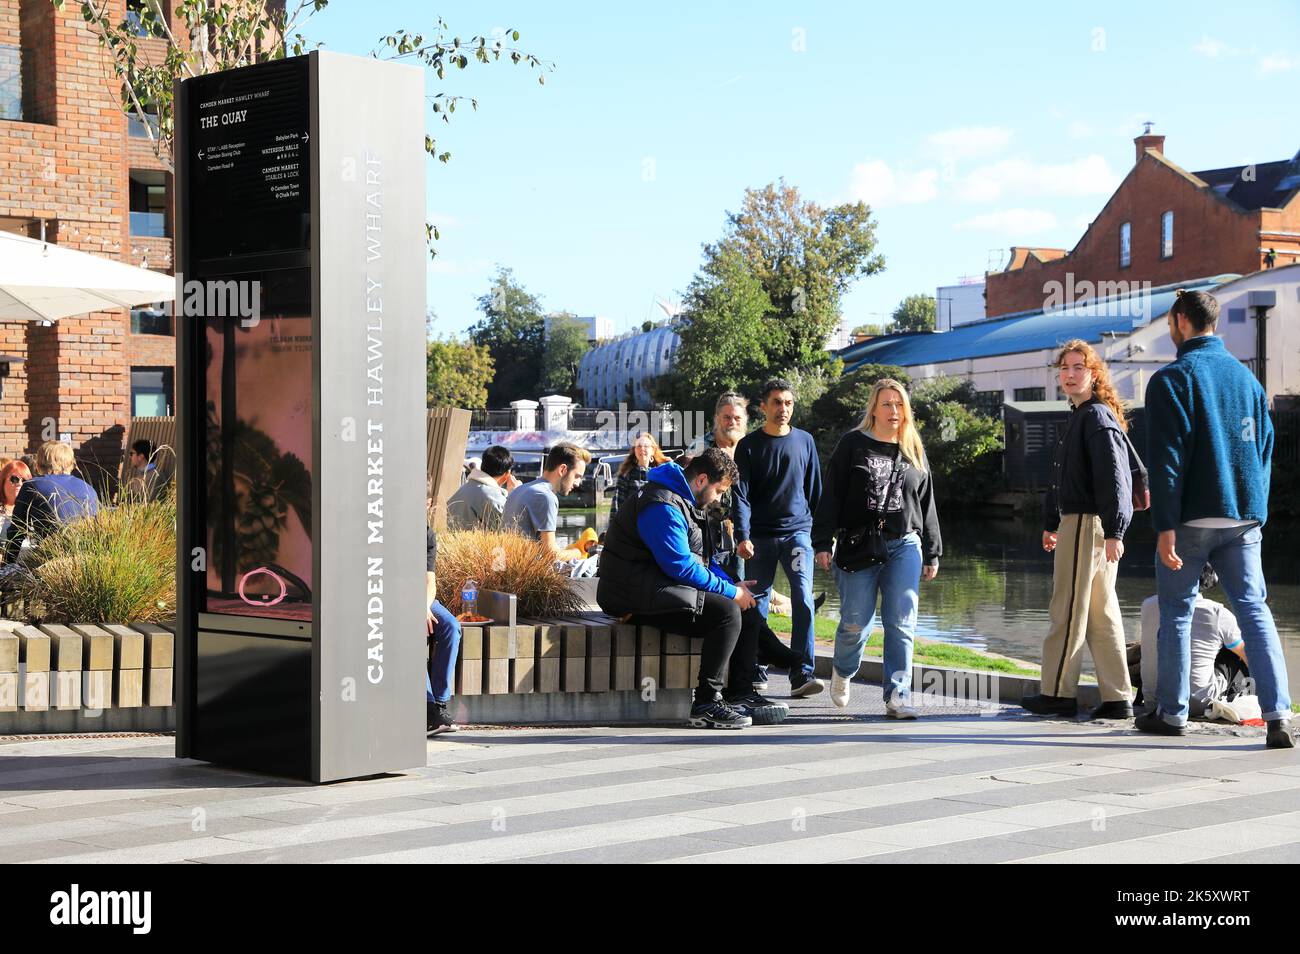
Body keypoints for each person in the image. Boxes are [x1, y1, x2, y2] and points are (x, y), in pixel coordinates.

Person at [1141, 289, 1293, 747]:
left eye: (1170, 322)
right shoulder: (1248, 382)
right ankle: (1279, 715)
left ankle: (1172, 714)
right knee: (1255, 611)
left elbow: (1166, 461)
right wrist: (1257, 510)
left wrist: (1164, 525)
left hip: (1190, 519)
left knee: (1177, 612)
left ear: (1181, 321)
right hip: (1244, 518)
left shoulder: (1172, 379)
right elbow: (1266, 449)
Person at [596, 447, 761, 729]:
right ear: (701, 480)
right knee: (726, 612)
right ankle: (706, 702)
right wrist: (732, 593)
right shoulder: (661, 504)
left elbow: (695, 563)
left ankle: (740, 694)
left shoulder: (679, 498)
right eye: (719, 491)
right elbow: (680, 566)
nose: (718, 499)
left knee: (746, 612)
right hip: (627, 596)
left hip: (652, 586)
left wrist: (730, 584)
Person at [813, 379, 941, 717]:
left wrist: (933, 550)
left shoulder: (913, 447)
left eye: (899, 405)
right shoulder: (852, 444)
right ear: (873, 408)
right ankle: (843, 670)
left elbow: (926, 502)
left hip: (905, 544)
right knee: (856, 623)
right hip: (858, 543)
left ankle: (898, 695)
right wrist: (822, 542)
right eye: (886, 404)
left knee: (901, 623)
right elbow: (831, 496)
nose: (894, 411)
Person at [1021, 340, 1135, 719]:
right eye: (1065, 368)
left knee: (1066, 610)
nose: (1070, 375)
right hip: (1082, 523)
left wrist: (1116, 531)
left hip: (1088, 525)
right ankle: (1119, 699)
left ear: (1093, 373)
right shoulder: (1084, 415)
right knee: (1102, 613)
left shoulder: (1094, 417)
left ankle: (1057, 693)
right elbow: (1065, 479)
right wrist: (1052, 523)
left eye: (1078, 368)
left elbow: (1115, 479)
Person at [733, 379, 824, 698]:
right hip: (759, 538)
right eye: (776, 402)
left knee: (803, 598)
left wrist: (822, 538)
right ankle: (758, 663)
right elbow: (740, 495)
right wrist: (743, 536)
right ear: (763, 407)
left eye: (787, 403)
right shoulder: (749, 446)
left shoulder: (806, 441)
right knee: (755, 605)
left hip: (798, 535)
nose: (783, 408)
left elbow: (816, 492)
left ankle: (802, 671)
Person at [1137, 565, 1247, 718]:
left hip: (1153, 702)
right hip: (1197, 704)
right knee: (1237, 651)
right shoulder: (1217, 613)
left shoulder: (1148, 605)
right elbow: (1247, 655)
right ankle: (1252, 698)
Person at [1, 441, 100, 565]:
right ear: (71, 464)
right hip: (88, 562)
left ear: (38, 464)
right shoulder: (89, 488)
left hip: (50, 564)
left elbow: (17, 531)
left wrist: (7, 566)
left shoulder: (31, 486)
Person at [502, 442, 590, 561]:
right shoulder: (546, 496)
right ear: (562, 469)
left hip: (506, 568)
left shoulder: (519, 490)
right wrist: (578, 552)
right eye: (577, 476)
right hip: (525, 575)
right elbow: (550, 555)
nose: (578, 483)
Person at [424, 493, 462, 735]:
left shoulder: (426, 534)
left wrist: (424, 607)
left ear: (428, 502)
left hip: (421, 600)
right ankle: (427, 708)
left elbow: (430, 580)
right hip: (391, 599)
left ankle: (439, 702)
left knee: (450, 625)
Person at [447, 444, 514, 531]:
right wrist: (515, 493)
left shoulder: (461, 490)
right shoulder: (493, 497)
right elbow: (512, 529)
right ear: (507, 474)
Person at [610, 432, 668, 517]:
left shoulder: (661, 474)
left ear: (653, 450)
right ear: (635, 451)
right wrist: (613, 529)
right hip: (632, 525)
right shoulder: (626, 474)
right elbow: (616, 505)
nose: (642, 449)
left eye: (646, 446)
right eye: (639, 446)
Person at [0, 459, 32, 540]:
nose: (20, 484)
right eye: (15, 479)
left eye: (24, 480)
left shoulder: (33, 509)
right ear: (3, 480)